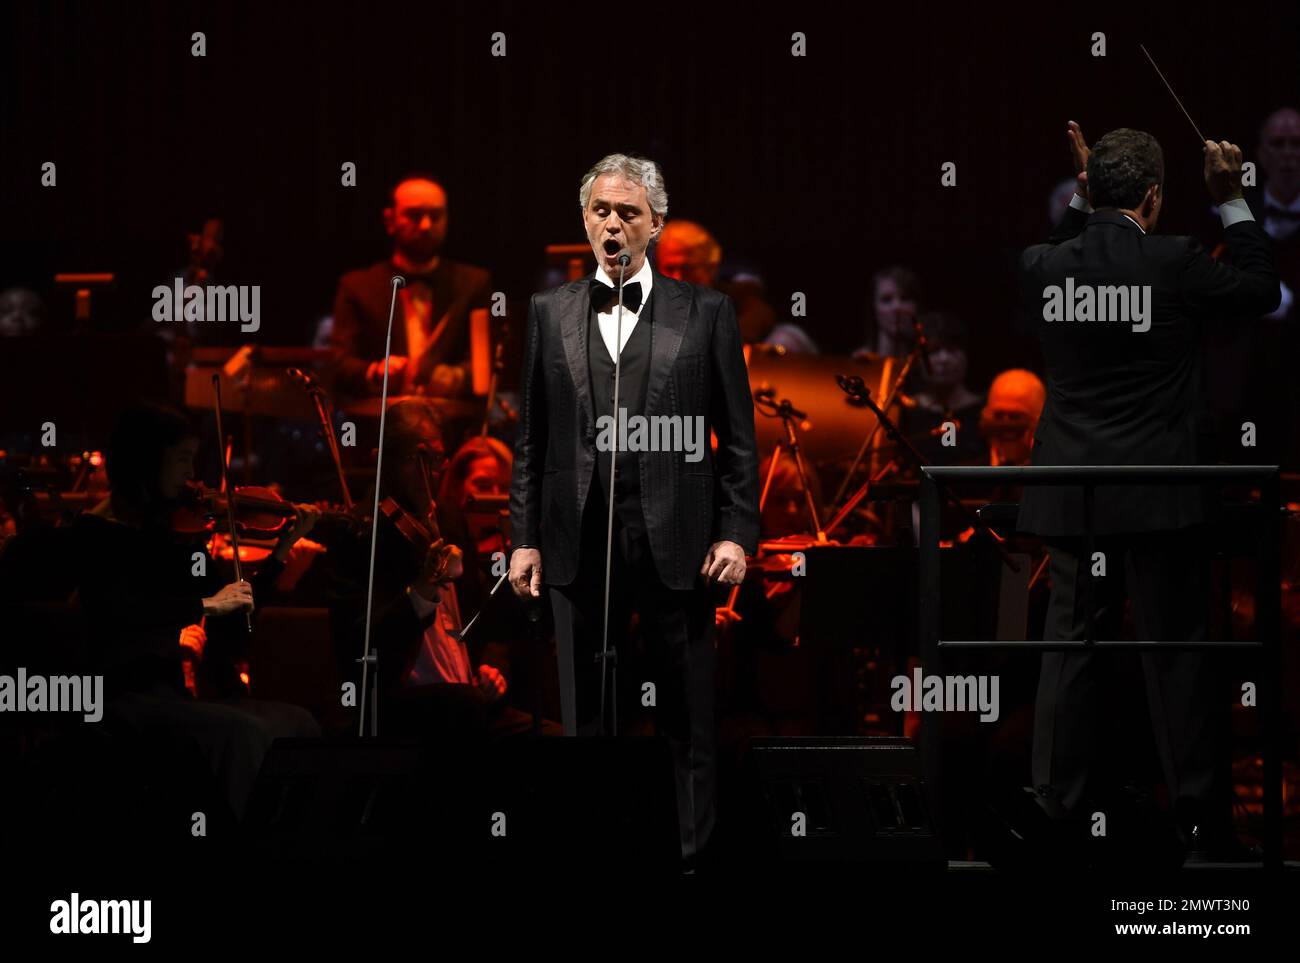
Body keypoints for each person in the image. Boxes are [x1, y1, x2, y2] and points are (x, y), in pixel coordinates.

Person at [1018, 121, 1279, 860]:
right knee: (1177, 658)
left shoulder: (1043, 263)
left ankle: (1053, 818)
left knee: (1068, 653)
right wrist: (1233, 198)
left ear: (1093, 190)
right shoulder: (1175, 260)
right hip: (1160, 496)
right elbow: (1262, 290)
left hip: (1074, 495)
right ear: (1159, 197)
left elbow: (1056, 258)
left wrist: (1082, 196)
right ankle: (1199, 830)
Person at [508, 153, 759, 869]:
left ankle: (689, 857)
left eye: (627, 212)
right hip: (576, 538)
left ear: (655, 224)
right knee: (586, 714)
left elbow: (738, 437)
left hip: (678, 538)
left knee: (687, 718)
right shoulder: (548, 310)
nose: (611, 223)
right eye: (600, 211)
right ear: (584, 220)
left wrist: (737, 533)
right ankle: (596, 855)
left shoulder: (706, 310)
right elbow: (531, 437)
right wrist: (522, 539)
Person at [71, 403, 322, 821]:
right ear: (147, 463)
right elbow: (124, 609)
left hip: (170, 695)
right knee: (244, 733)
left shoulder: (175, 538)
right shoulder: (97, 535)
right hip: (117, 696)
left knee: (299, 722)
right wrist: (205, 603)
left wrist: (279, 553)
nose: (193, 479)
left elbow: (231, 623)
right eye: (183, 460)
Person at [325, 399, 547, 738]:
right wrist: (422, 590)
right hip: (402, 710)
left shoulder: (448, 519)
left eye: (436, 458)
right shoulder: (360, 534)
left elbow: (478, 618)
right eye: (416, 459)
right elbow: (362, 650)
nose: (429, 471)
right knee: (463, 705)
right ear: (382, 462)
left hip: (465, 699)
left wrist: (489, 668)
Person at [328, 175, 492, 397]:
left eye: (435, 216)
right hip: (379, 425)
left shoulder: (474, 282)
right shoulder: (357, 286)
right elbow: (338, 364)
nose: (425, 226)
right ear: (389, 220)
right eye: (414, 215)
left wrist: (457, 377)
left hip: (452, 425)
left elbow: (489, 361)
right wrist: (376, 372)